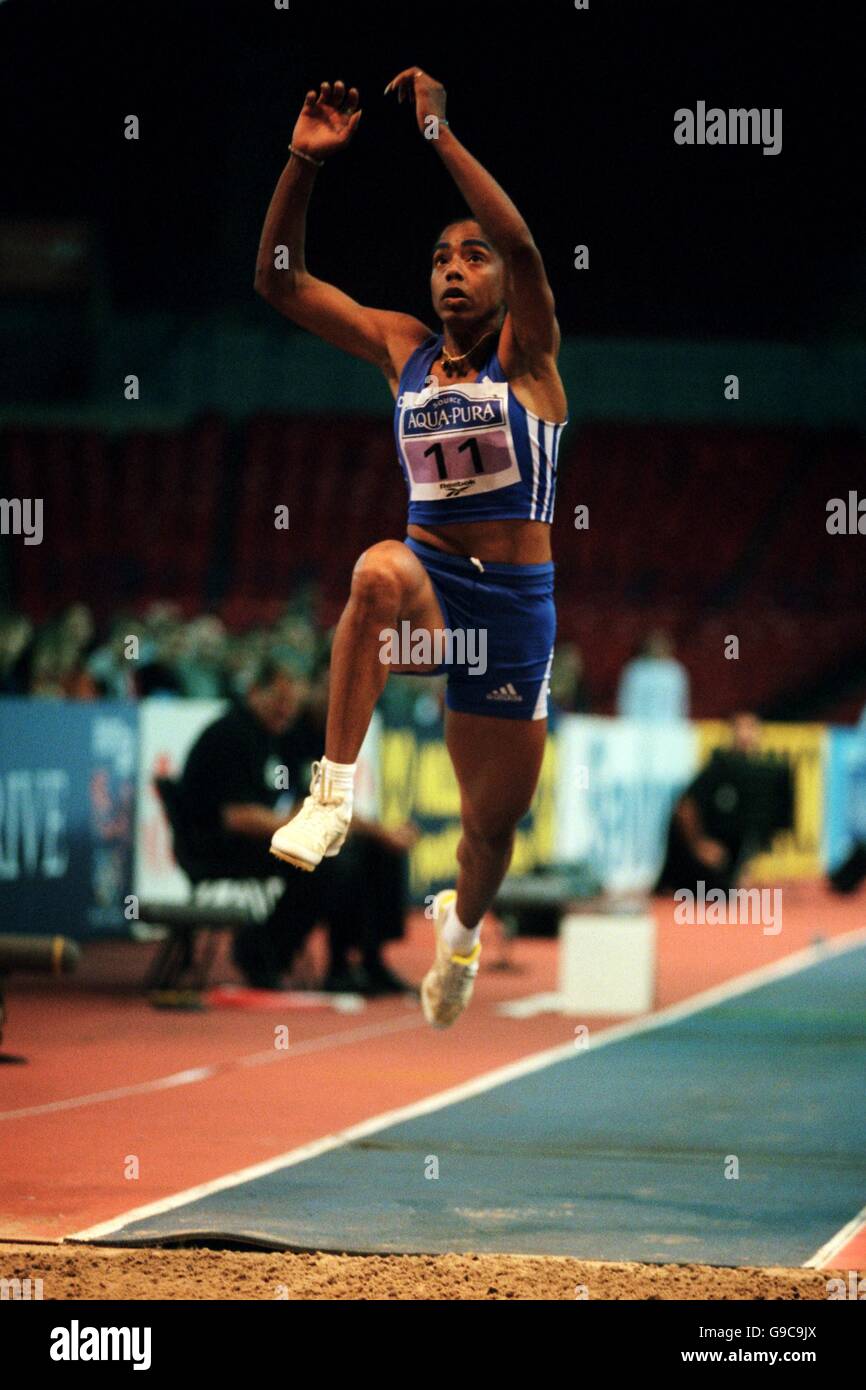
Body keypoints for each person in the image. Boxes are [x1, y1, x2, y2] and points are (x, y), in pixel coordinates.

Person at [254, 69, 568, 1027]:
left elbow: (518, 237)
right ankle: (333, 792)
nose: (455, 268)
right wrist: (303, 163)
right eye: (440, 257)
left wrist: (436, 130)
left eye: (472, 259)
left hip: (509, 619)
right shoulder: (403, 350)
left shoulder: (531, 358)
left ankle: (463, 933)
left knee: (488, 831)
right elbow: (278, 281)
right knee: (375, 569)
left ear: (505, 287)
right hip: (430, 590)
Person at [179, 657, 415, 993]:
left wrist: (377, 832)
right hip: (216, 846)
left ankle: (361, 961)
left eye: (291, 703)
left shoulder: (278, 735)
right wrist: (291, 825)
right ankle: (264, 951)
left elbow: (317, 801)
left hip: (258, 839)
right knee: (327, 860)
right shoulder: (231, 735)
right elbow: (235, 816)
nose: (285, 710)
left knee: (368, 850)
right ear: (254, 691)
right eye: (278, 700)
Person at [654, 712, 793, 895]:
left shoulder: (766, 773)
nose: (745, 734)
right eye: (740, 728)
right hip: (702, 852)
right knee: (718, 892)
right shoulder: (719, 766)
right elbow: (685, 807)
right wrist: (699, 844)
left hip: (729, 854)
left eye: (750, 728)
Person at [616, 630, 689, 721]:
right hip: (638, 724)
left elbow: (681, 702)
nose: (658, 648)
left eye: (661, 645)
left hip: (668, 726)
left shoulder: (675, 671)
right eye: (655, 645)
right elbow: (626, 700)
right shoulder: (636, 669)